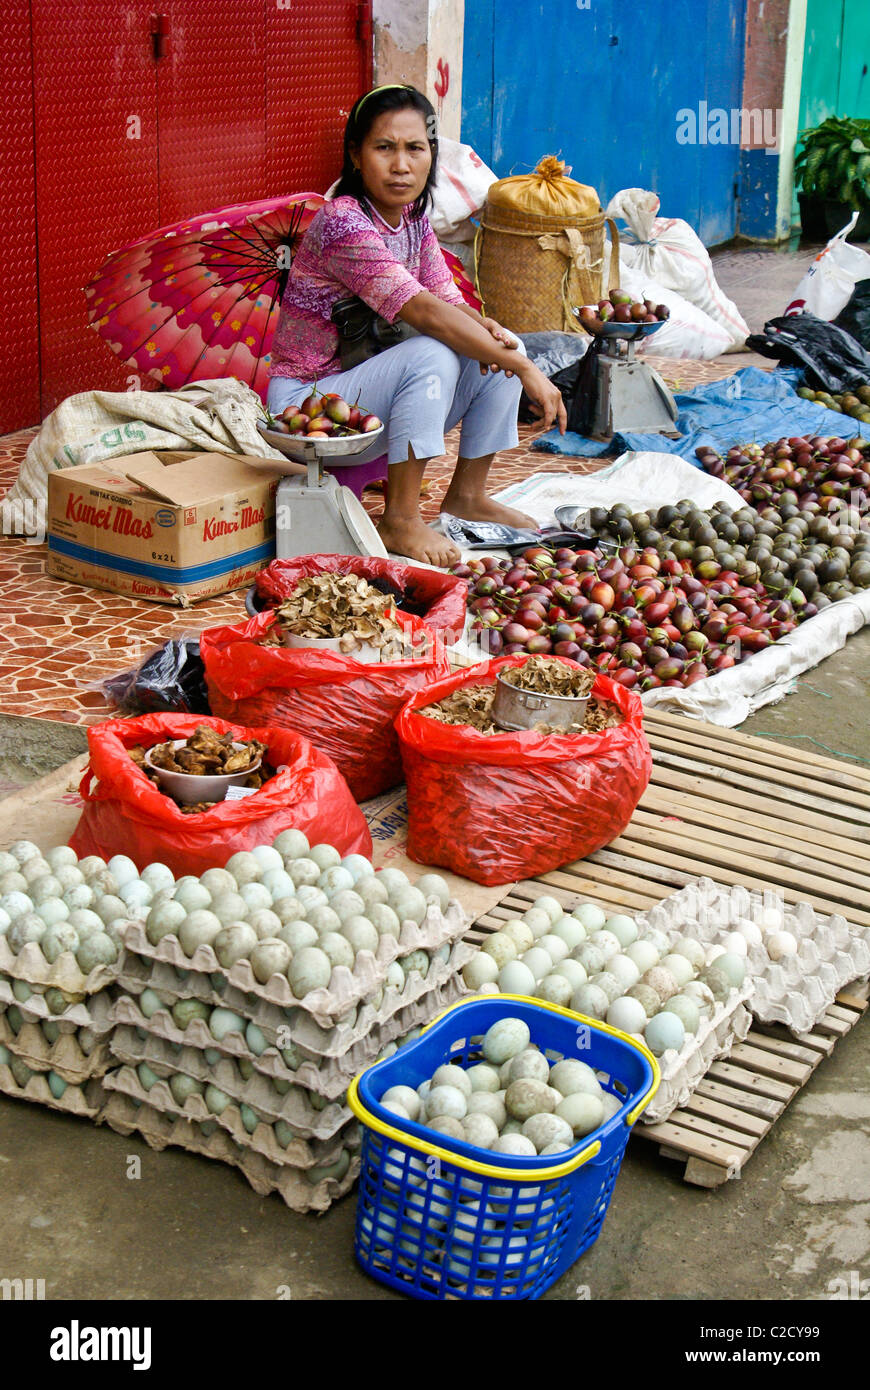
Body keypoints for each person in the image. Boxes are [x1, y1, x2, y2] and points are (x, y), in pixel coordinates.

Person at [267, 83, 566, 566]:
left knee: (495, 341)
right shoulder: (344, 223)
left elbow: (449, 302)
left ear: (432, 156)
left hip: (362, 397)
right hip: (307, 409)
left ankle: (467, 494)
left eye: (415, 149)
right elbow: (424, 312)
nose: (401, 164)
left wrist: (501, 344)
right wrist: (526, 370)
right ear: (356, 155)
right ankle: (401, 520)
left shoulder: (412, 219)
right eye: (384, 148)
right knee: (436, 350)